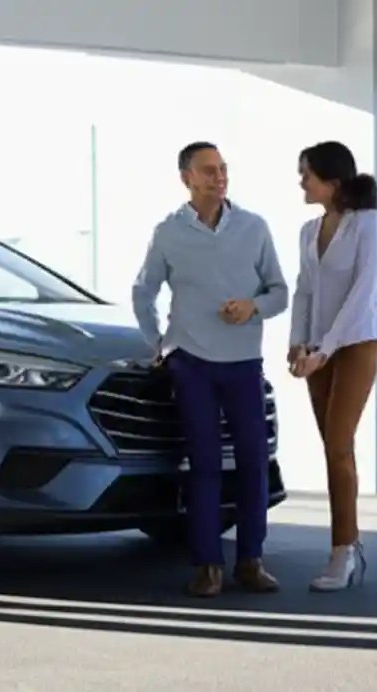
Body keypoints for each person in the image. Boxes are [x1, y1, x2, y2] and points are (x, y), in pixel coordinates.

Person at [131, 141, 290, 598]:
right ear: (187, 178)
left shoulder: (254, 227)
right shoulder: (168, 232)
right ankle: (207, 565)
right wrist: (158, 345)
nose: (219, 177)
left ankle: (250, 560)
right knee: (203, 463)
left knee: (254, 462)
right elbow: (144, 292)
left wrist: (252, 307)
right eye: (208, 170)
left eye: (222, 168)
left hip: (243, 363)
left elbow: (279, 291)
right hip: (192, 363)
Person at [287, 141, 377, 593]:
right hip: (316, 351)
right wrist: (298, 343)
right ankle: (350, 545)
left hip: (357, 343)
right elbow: (305, 290)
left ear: (333, 180)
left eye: (307, 173)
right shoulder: (308, 230)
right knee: (332, 448)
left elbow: (363, 293)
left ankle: (343, 552)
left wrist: (326, 347)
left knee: (340, 444)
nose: (301, 181)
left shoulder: (368, 224)